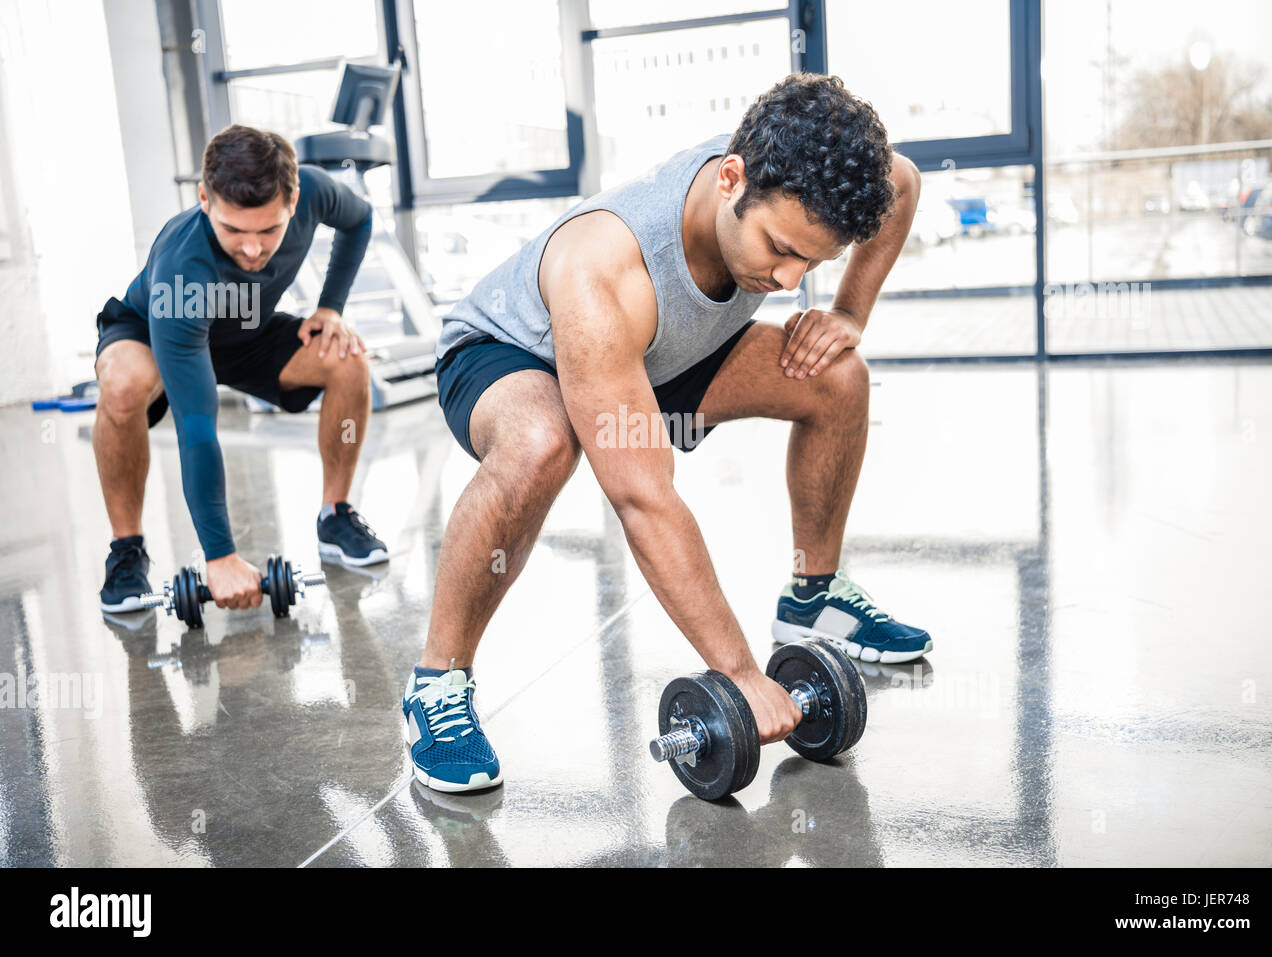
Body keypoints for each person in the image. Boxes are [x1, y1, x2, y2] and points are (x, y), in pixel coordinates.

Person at [403, 74, 933, 793]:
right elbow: (644, 499)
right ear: (730, 178)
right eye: (779, 248)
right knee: (543, 440)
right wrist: (740, 672)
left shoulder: (797, 190)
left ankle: (816, 595)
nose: (786, 279)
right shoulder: (604, 267)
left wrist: (851, 312)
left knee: (838, 376)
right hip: (515, 351)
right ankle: (437, 683)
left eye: (812, 262)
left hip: (660, 353)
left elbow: (901, 180)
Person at [94, 125, 388, 616]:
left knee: (347, 358)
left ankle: (336, 515)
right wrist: (221, 556)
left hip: (244, 328)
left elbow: (359, 220)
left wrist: (331, 308)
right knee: (123, 384)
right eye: (234, 231)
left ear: (293, 201)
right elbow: (196, 425)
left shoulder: (314, 190)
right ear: (205, 200)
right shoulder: (181, 269)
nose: (252, 251)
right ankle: (126, 550)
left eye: (268, 231)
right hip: (156, 331)